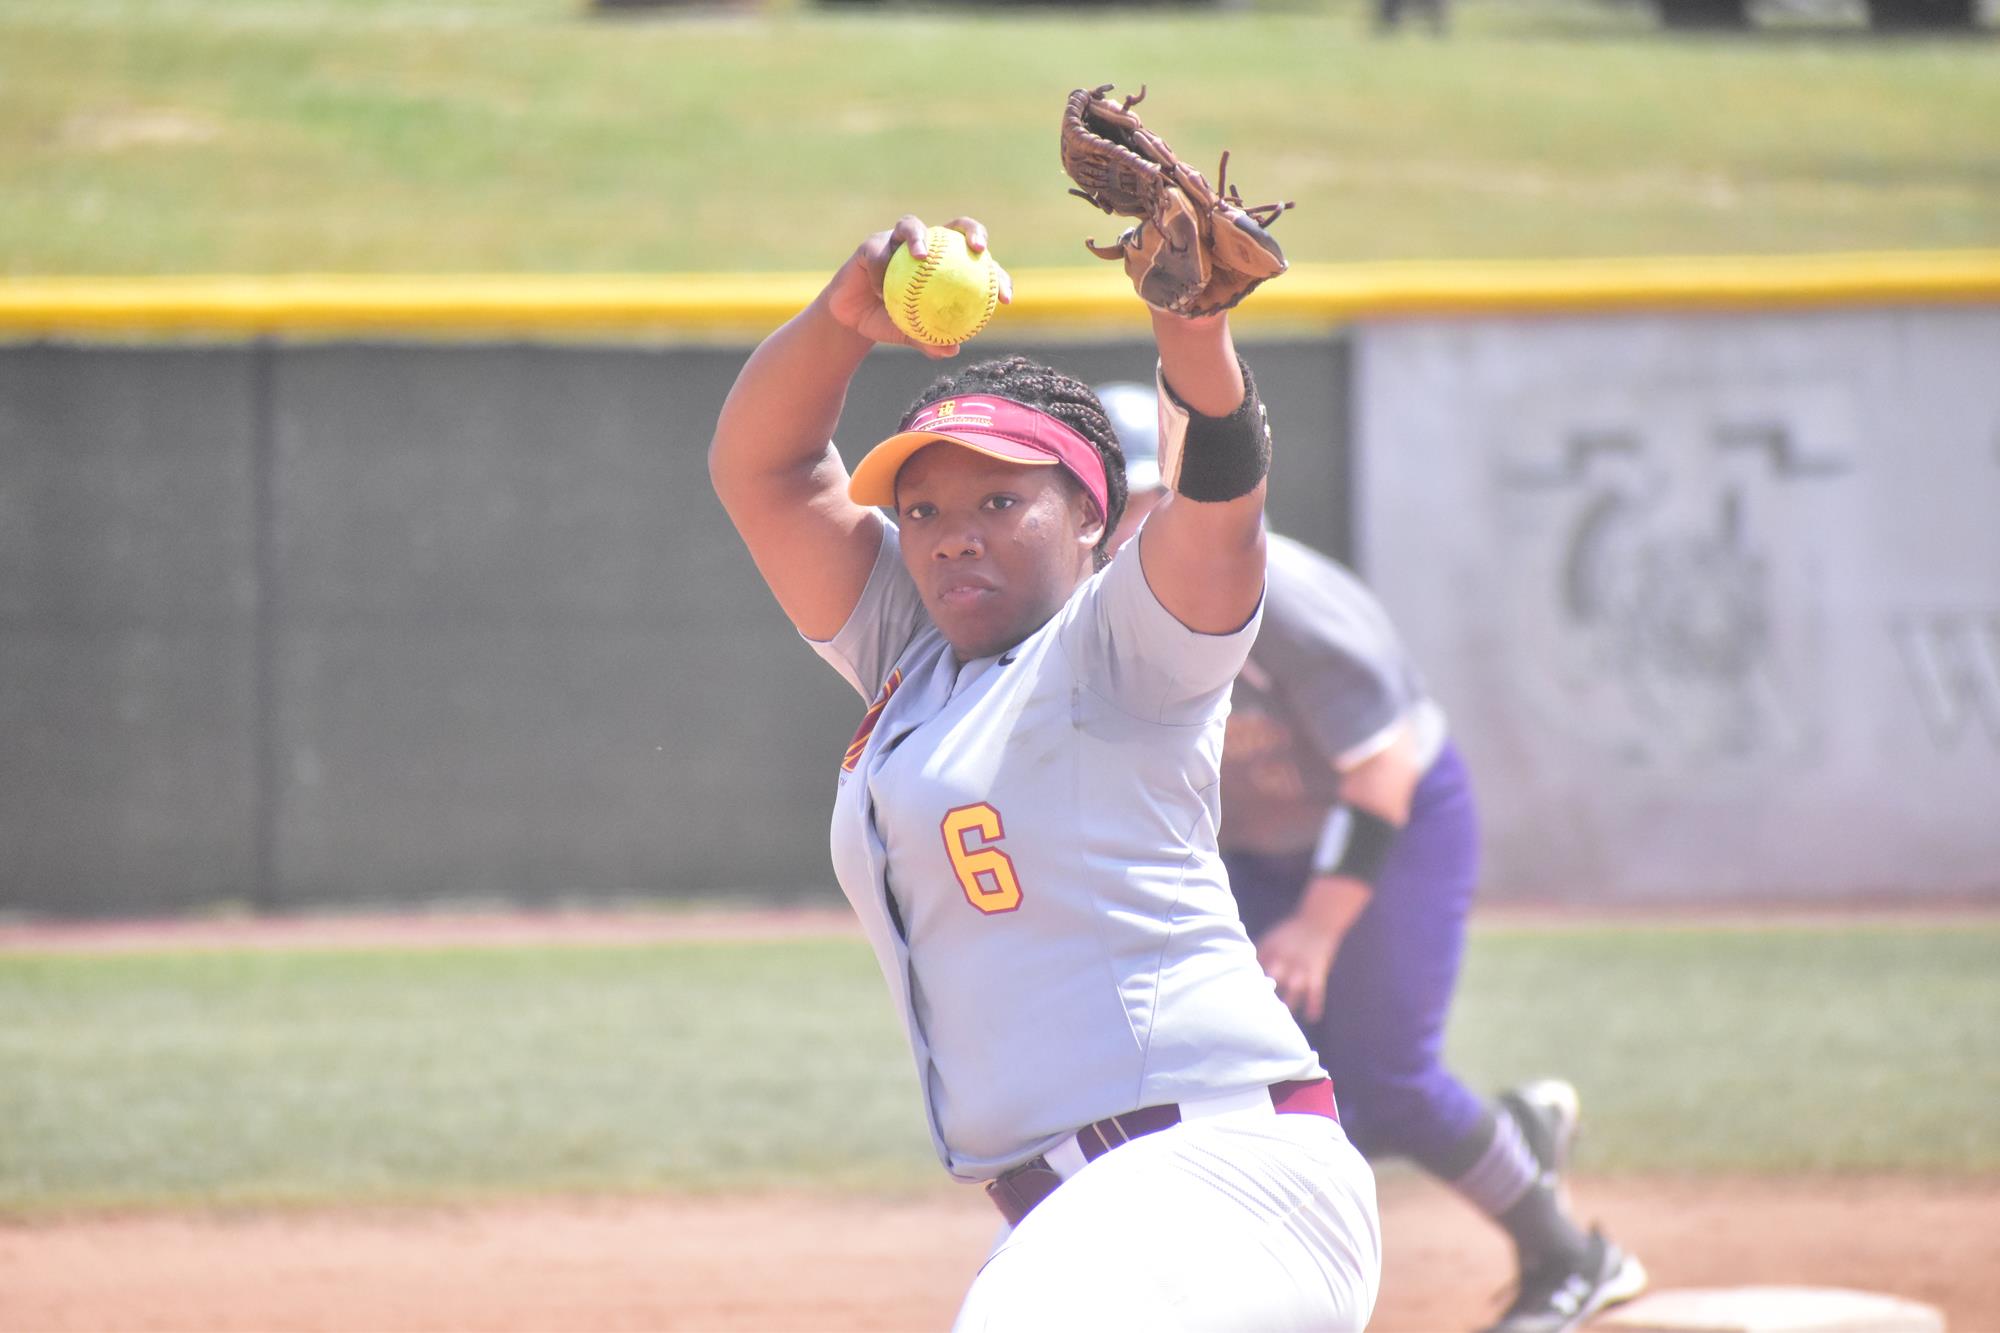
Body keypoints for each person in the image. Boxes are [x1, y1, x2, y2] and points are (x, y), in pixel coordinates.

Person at [708, 214, 1381, 1331]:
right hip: (1093, 1212)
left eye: (996, 501)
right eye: (920, 509)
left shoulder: (1124, 651)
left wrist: (1192, 334)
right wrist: (837, 321)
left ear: (1087, 516)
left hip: (1212, 1180)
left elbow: (1218, 510)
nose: (949, 536)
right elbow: (764, 471)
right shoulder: (912, 656)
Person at [1096, 380, 1648, 1333]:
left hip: (1387, 824)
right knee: (1260, 1083)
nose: (1125, 525)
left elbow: (1381, 771)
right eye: (1105, 504)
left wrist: (1318, 925)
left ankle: (1574, 1255)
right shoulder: (1094, 611)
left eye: (1148, 496)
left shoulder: (1288, 600)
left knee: (1388, 1076)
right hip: (1246, 844)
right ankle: (1513, 1140)